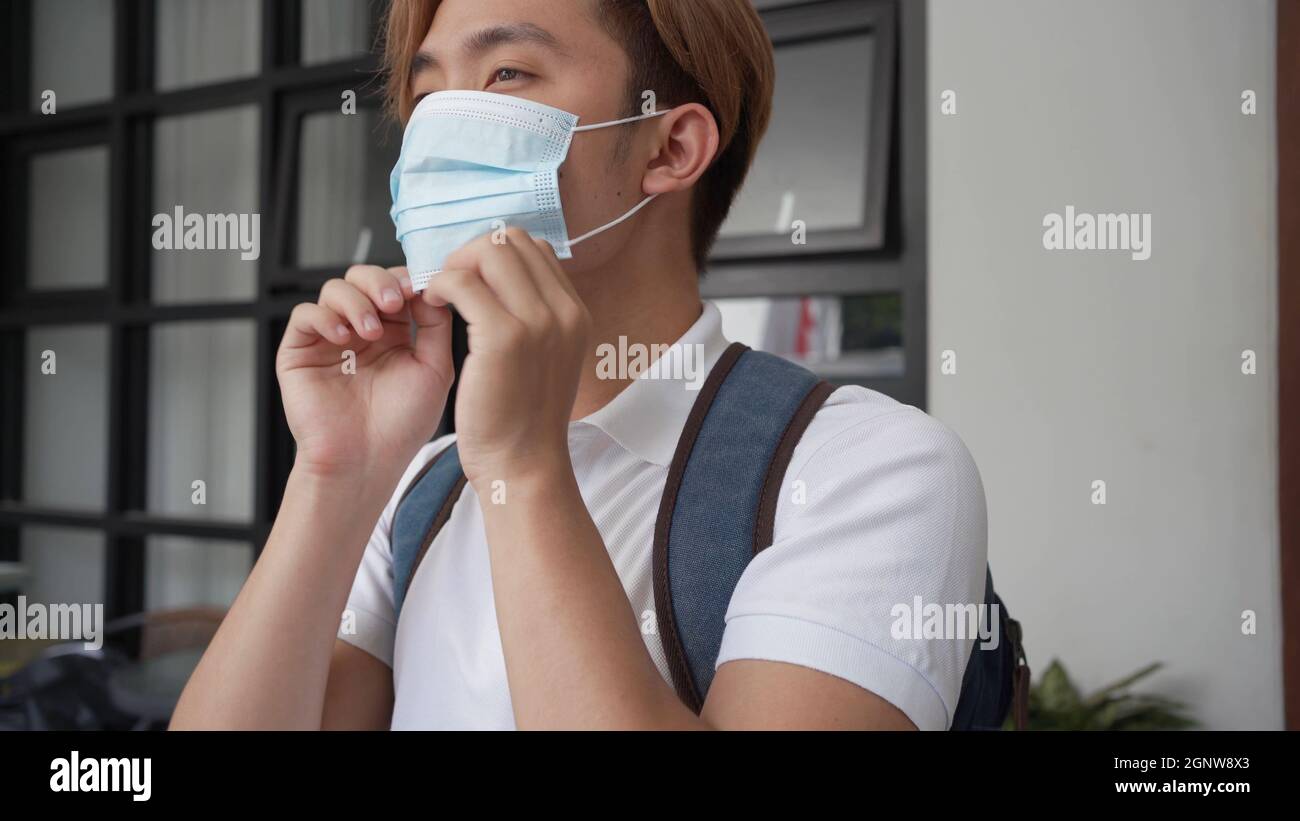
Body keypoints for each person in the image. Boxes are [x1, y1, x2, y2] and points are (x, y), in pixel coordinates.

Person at [171, 0, 987, 731]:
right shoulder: (423, 489)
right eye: (427, 95)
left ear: (670, 147)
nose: (443, 127)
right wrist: (336, 475)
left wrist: (526, 471)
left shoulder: (867, 469)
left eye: (507, 73)